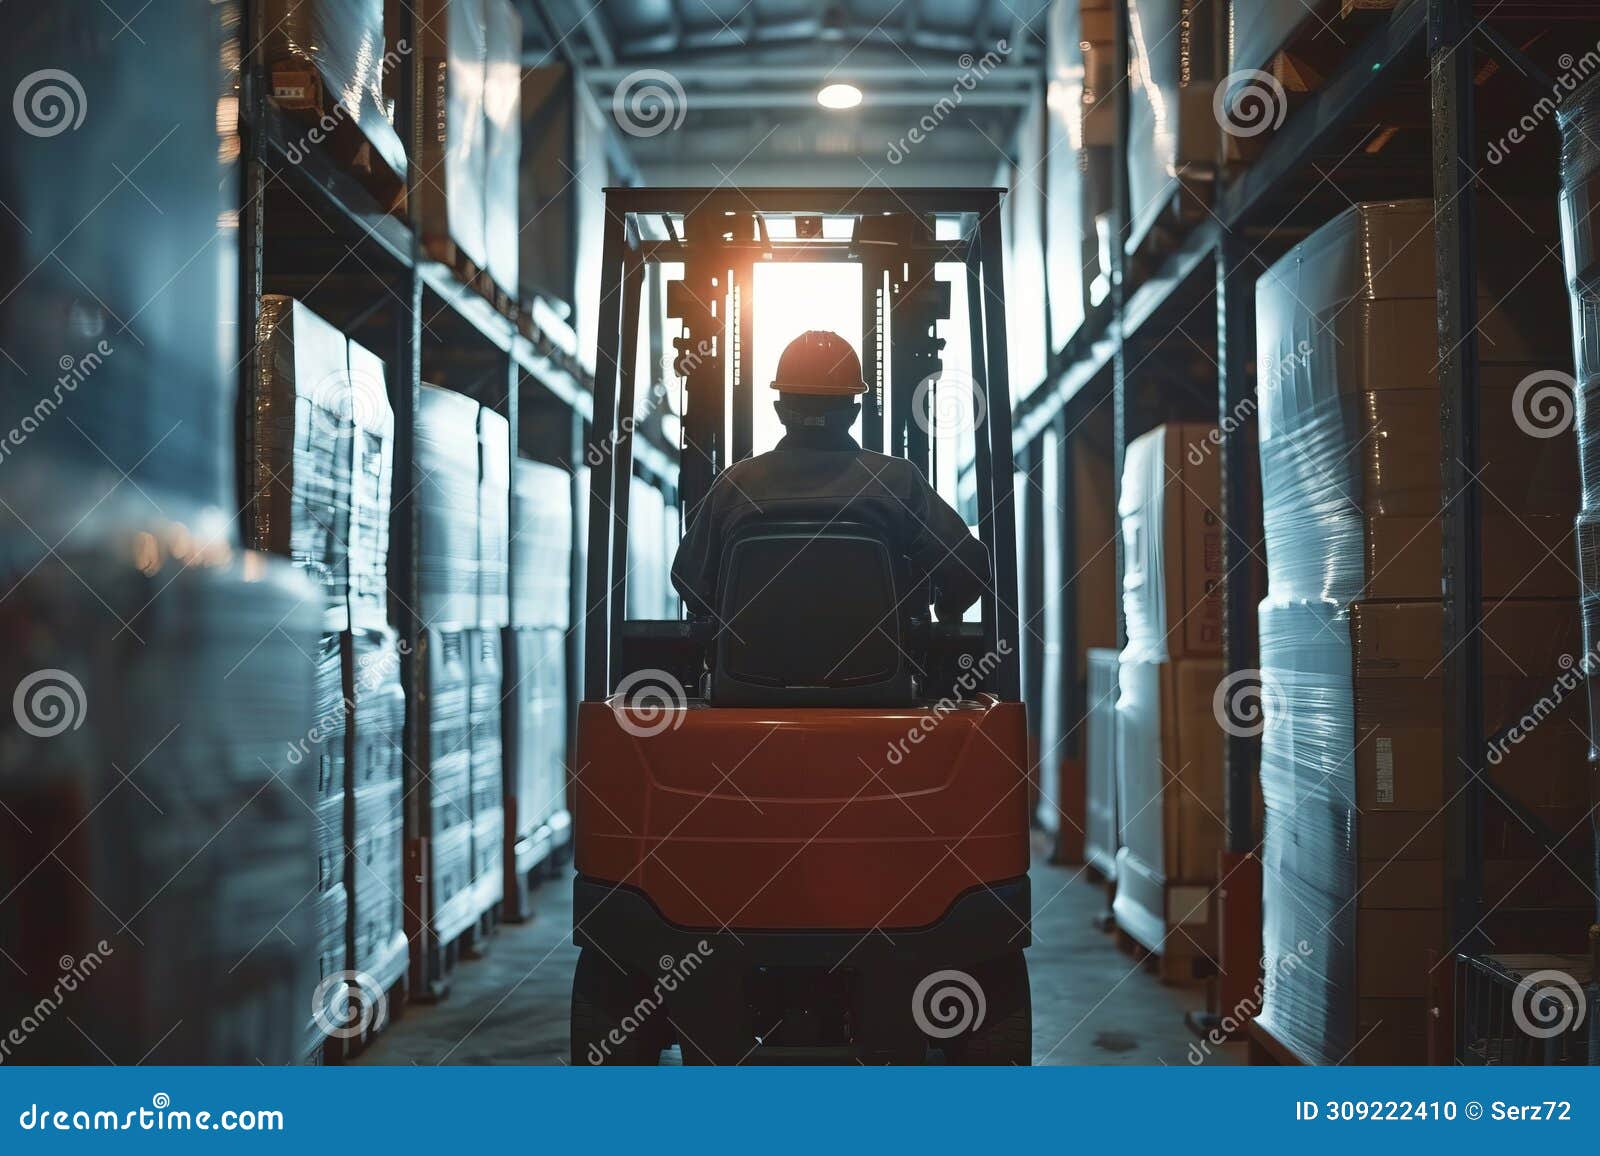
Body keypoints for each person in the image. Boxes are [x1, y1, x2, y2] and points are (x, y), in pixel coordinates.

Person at [670, 329, 991, 624]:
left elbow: (692, 586)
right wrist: (945, 613)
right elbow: (968, 569)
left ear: (779, 410)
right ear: (854, 412)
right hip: (879, 670)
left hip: (750, 670)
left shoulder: (734, 486)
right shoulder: (898, 482)